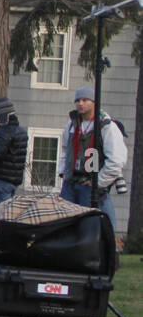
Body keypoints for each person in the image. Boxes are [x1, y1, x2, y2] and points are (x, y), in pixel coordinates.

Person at [59, 86, 128, 233]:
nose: (80, 103)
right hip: (70, 185)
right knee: (65, 228)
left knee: (96, 230)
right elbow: (65, 150)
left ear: (94, 102)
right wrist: (63, 173)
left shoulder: (106, 126)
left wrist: (99, 182)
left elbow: (116, 160)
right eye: (77, 100)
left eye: (85, 100)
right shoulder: (72, 124)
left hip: (92, 187)